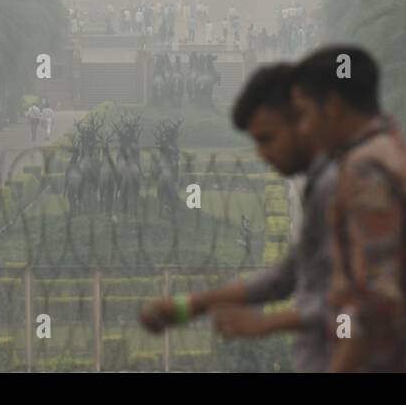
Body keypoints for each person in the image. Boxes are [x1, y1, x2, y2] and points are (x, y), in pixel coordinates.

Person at [138, 64, 339, 372]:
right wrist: (192, 305)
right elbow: (288, 275)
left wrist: (264, 324)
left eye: (268, 138)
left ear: (303, 121)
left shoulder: (347, 185)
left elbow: (371, 301)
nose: (261, 153)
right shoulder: (321, 183)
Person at [288, 45, 406, 373]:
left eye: (305, 115)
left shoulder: (366, 169)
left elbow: (379, 298)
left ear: (333, 107)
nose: (304, 129)